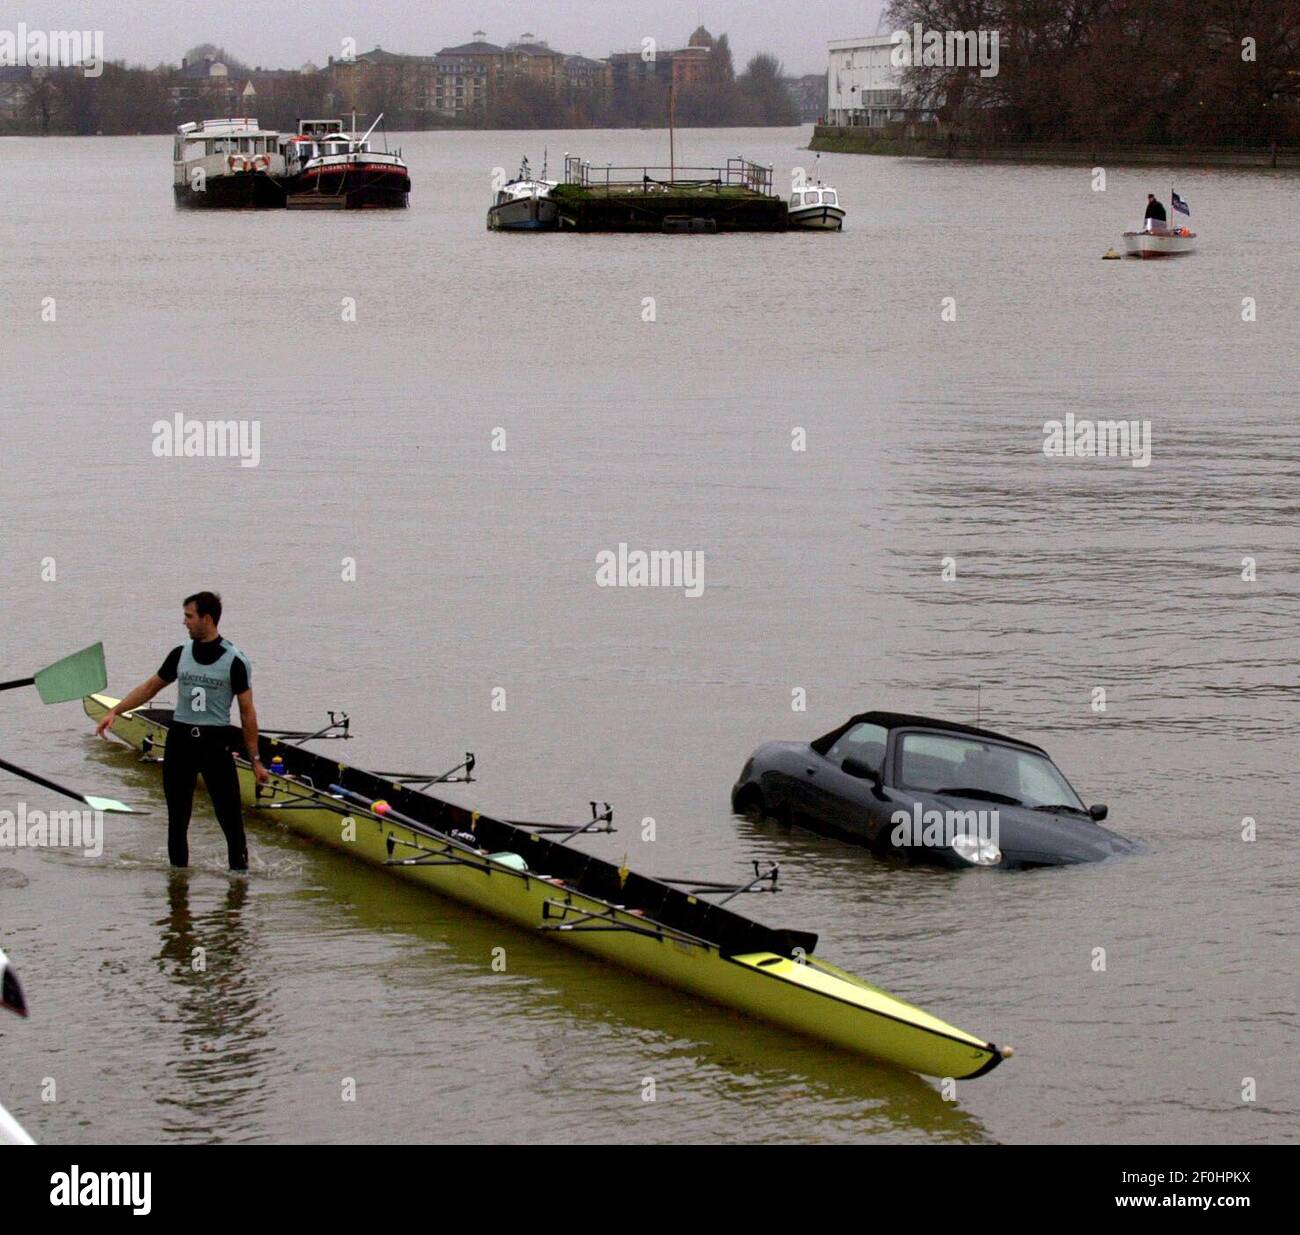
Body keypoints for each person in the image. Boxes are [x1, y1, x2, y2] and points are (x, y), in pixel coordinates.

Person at [95, 592, 267, 872]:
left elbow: (248, 713)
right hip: (180, 744)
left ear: (207, 619)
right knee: (177, 821)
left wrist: (256, 760)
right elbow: (150, 688)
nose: (184, 622)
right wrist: (116, 711)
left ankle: (238, 892)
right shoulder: (180, 653)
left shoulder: (235, 661)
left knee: (231, 821)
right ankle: (178, 893)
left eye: (189, 616)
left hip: (215, 746)